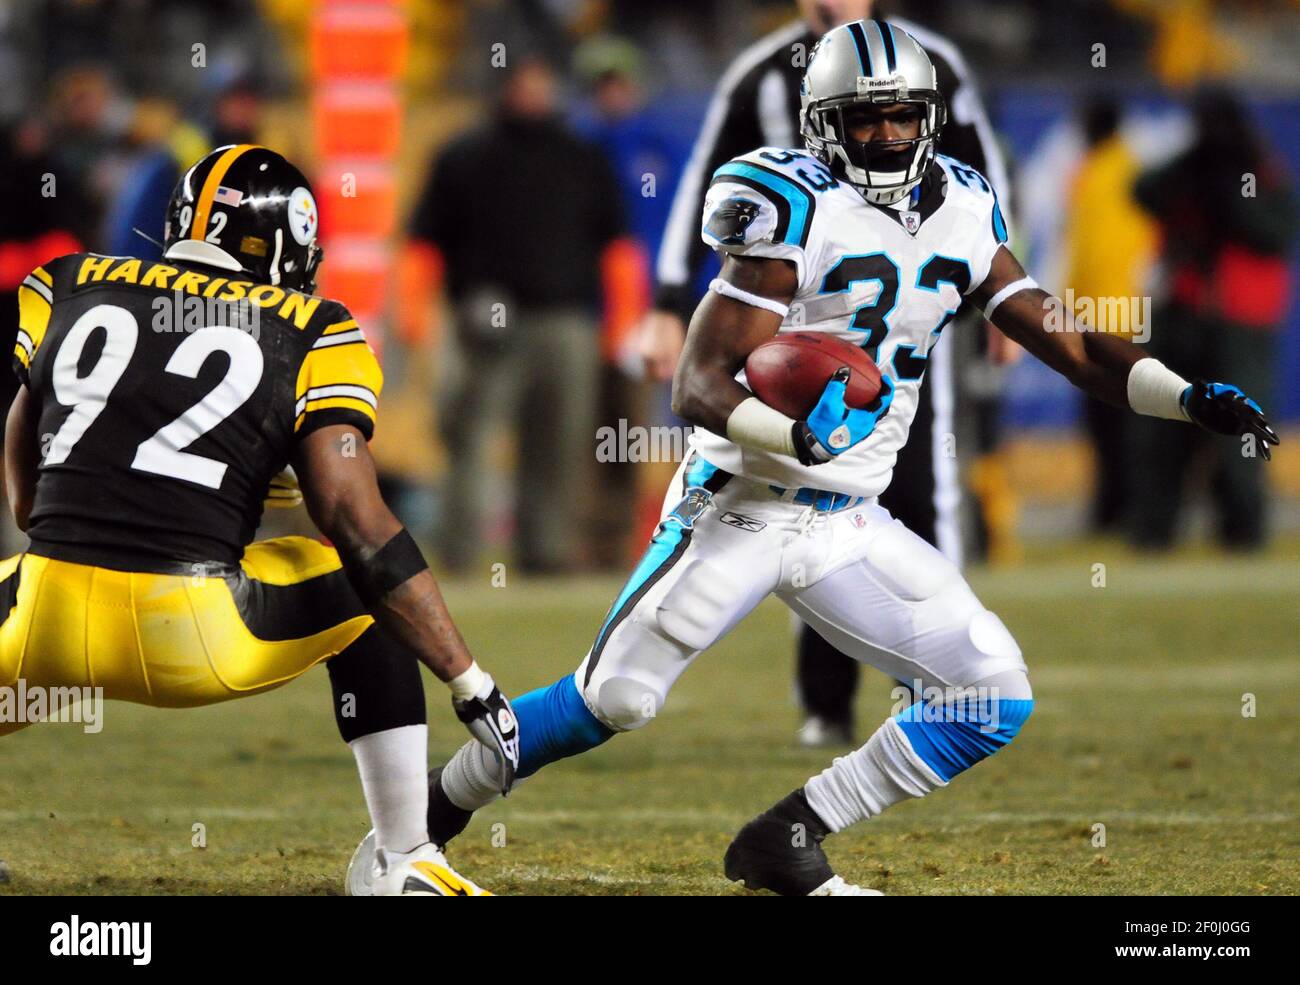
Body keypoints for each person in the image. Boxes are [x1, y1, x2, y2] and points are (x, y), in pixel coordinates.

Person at [351, 20, 1277, 897]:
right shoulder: (790, 204)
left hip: (847, 521)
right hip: (739, 502)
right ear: (821, 126)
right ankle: (436, 805)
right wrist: (798, 435)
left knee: (990, 691)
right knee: (617, 700)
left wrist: (1183, 395)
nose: (883, 135)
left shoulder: (962, 204)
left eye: (901, 116)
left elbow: (1068, 343)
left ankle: (789, 835)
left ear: (929, 118)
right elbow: (699, 385)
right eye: (862, 118)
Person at [2, 144, 520, 897]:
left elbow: (26, 481)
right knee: (362, 589)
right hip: (194, 634)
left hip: (41, 618)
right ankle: (404, 855)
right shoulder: (315, 327)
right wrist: (467, 677)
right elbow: (355, 520)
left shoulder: (67, 282)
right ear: (284, 247)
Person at [640, 0, 1012, 747]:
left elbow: (984, 176)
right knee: (805, 503)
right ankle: (827, 700)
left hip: (901, 314)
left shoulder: (927, 60)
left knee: (921, 491)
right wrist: (667, 300)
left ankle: (932, 682)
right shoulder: (760, 73)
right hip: (800, 322)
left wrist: (1001, 290)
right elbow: (702, 184)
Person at [408, 57, 628, 574]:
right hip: (488, 318)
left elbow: (615, 244)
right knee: (471, 437)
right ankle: (459, 553)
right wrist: (414, 315)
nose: (532, 91)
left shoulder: (581, 155)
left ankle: (545, 554)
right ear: (503, 87)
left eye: (541, 81)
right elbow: (425, 241)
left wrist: (623, 321)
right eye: (522, 82)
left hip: (566, 320)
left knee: (558, 442)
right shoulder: (463, 154)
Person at [1128, 86, 1296, 550]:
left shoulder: (1261, 174)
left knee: (1240, 430)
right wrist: (1195, 172)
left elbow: (1278, 231)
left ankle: (1243, 532)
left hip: (1240, 322)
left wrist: (1233, 199)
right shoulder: (1190, 171)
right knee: (1166, 424)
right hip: (1186, 313)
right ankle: (1155, 532)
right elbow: (1142, 191)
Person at [1063, 97, 1156, 534]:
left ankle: (1121, 509)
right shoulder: (1126, 169)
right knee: (1114, 419)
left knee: (1116, 421)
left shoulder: (1107, 173)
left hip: (1108, 313)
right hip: (1115, 311)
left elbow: (1086, 250)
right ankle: (1117, 508)